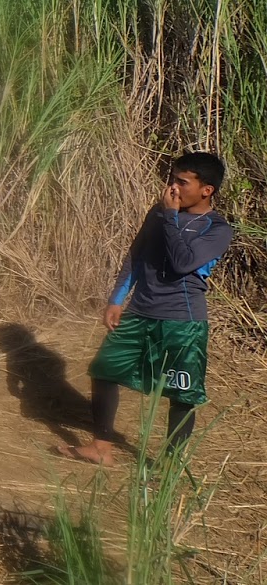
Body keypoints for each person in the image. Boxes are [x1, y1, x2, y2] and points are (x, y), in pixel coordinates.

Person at [57, 151, 234, 465]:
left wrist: (170, 216)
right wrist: (116, 300)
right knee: (105, 370)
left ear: (207, 190)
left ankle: (168, 466)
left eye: (182, 182)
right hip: (139, 312)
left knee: (182, 392)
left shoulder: (217, 229)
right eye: (172, 179)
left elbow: (182, 263)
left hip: (182, 322)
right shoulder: (158, 213)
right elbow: (136, 256)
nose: (172, 188)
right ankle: (101, 448)